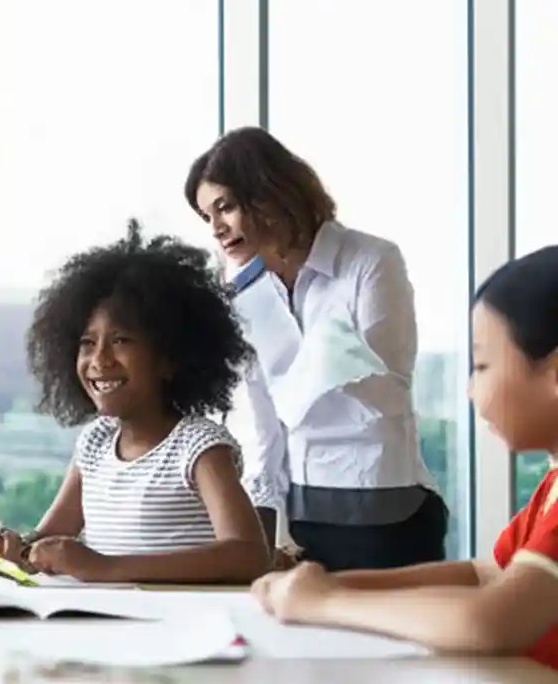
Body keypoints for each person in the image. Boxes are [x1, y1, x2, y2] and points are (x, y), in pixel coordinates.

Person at [252, 246, 558, 669]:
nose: (470, 390)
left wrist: (324, 602)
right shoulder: (550, 487)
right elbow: (485, 575)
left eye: (483, 365)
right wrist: (332, 586)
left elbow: (489, 621)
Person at [185, 126, 446, 571]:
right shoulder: (245, 291)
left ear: (268, 193)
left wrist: (299, 374)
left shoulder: (370, 260)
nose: (217, 229)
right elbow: (262, 419)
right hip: (307, 514)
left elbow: (385, 390)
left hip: (387, 509)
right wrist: (261, 530)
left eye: (224, 207)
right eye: (207, 216)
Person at [0, 220, 269, 583]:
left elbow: (248, 556)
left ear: (170, 358)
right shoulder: (94, 443)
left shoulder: (199, 447)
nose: (100, 360)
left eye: (121, 340)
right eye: (87, 343)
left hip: (180, 629)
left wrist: (106, 568)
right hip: (109, 629)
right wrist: (7, 551)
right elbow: (47, 540)